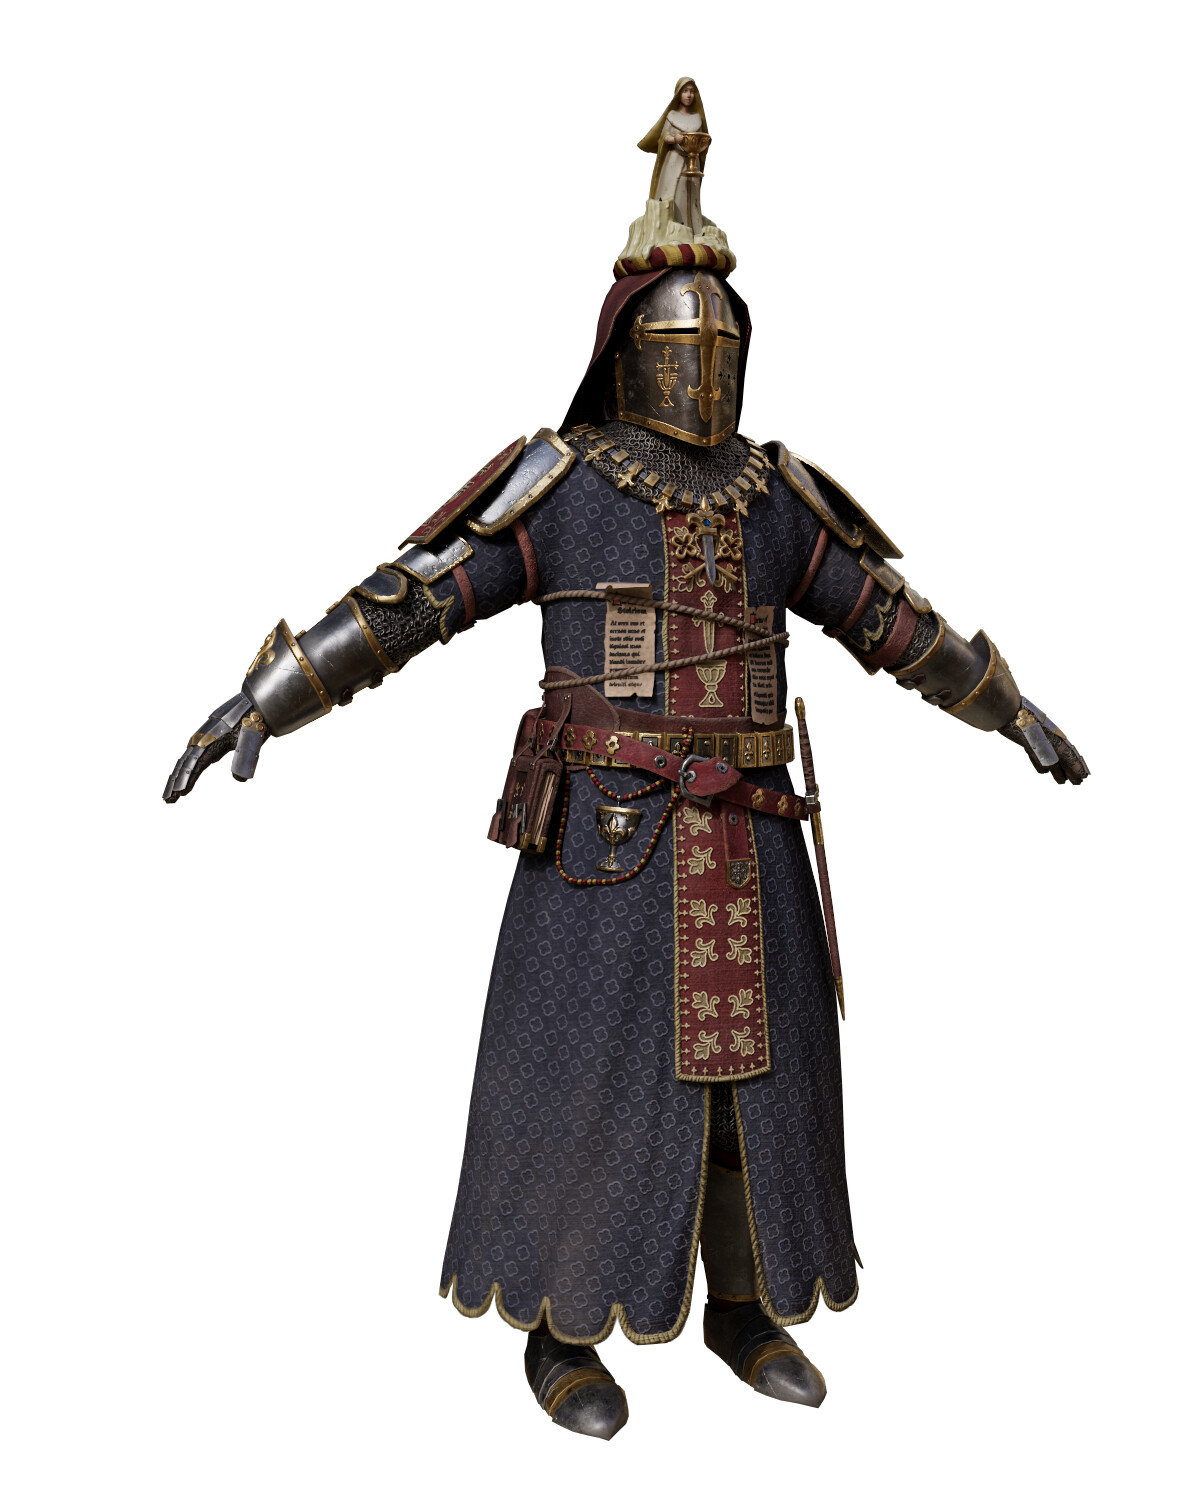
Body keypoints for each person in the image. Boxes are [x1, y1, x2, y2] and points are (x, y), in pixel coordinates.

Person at [164, 99, 1088, 1444]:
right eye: (679, 347)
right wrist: (267, 697)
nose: (704, 372)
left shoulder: (777, 499)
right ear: (625, 354)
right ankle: (563, 1328)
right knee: (589, 1086)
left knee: (756, 1092)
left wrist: (1011, 710)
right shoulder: (563, 487)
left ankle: (745, 1308)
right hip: (602, 843)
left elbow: (896, 625)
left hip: (753, 836)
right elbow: (410, 603)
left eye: (723, 348)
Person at [638, 77, 707, 231]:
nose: (689, 95)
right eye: (685, 91)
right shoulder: (672, 115)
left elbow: (701, 138)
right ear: (678, 94)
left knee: (691, 194)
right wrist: (674, 139)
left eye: (692, 91)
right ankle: (671, 229)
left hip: (692, 162)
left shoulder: (697, 118)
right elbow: (664, 136)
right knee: (673, 193)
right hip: (674, 160)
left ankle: (693, 229)